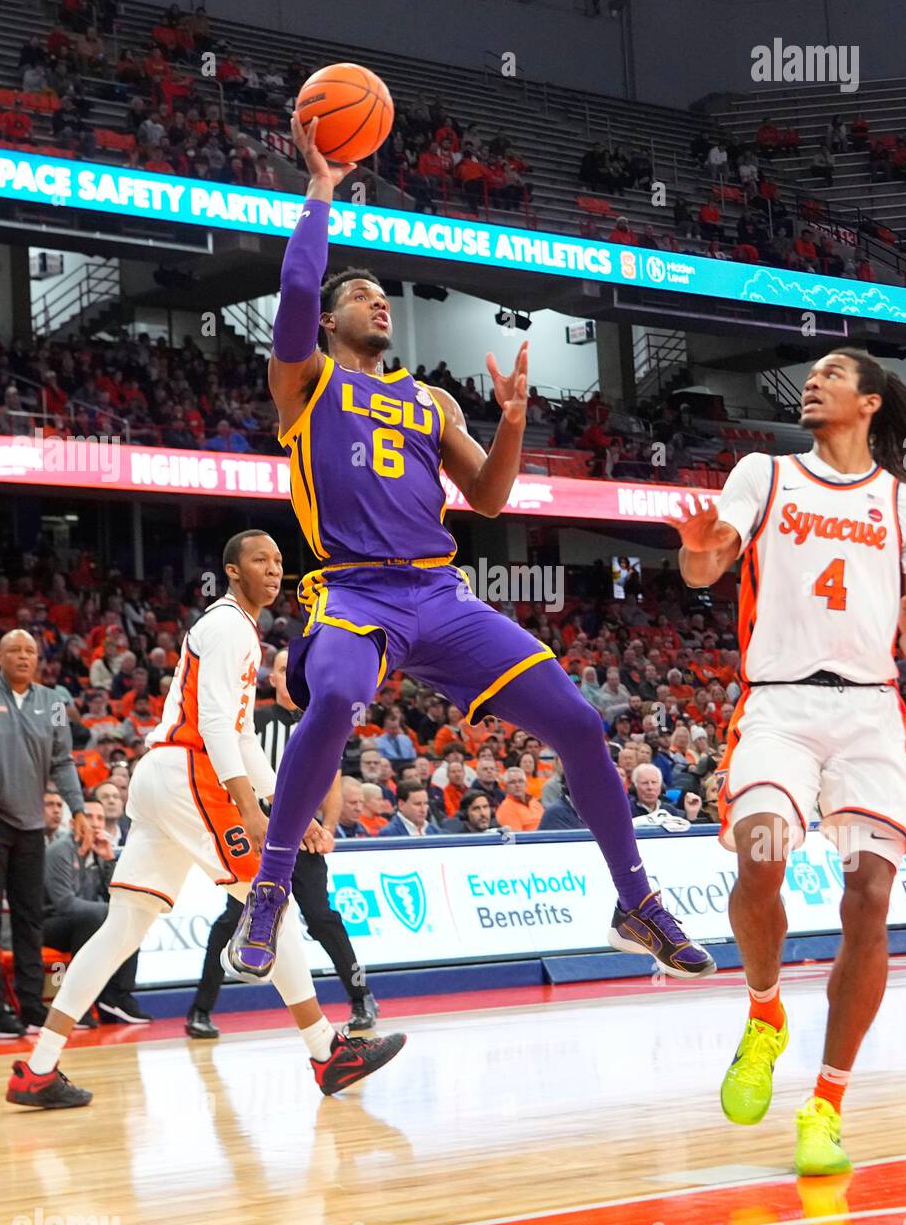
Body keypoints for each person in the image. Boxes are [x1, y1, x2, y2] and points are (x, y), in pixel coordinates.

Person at [224, 113, 713, 986]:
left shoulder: (431, 404)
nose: (378, 304)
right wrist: (322, 190)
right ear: (331, 322)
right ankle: (268, 891)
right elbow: (296, 293)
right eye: (361, 298)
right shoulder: (305, 383)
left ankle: (635, 900)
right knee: (332, 697)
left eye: (382, 299)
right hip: (351, 592)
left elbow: (488, 496)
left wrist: (516, 419)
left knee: (579, 724)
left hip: (439, 597)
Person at [669, 347, 906, 1176]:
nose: (813, 381)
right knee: (761, 854)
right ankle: (765, 1014)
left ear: (868, 403)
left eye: (833, 374)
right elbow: (705, 566)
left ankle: (826, 1105)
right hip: (781, 706)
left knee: (867, 897)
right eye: (812, 375)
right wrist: (695, 549)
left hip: (869, 713)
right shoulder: (762, 473)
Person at [7, 531, 405, 1109]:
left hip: (163, 775)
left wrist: (284, 805)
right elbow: (218, 727)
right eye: (259, 561)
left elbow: (242, 735)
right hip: (189, 769)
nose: (273, 570)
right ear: (233, 571)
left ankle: (38, 1068)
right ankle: (326, 1051)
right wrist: (251, 808)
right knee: (270, 901)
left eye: (277, 562)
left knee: (125, 925)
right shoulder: (227, 626)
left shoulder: (240, 628)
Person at [186, 645, 379, 1040]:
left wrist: (326, 827)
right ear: (271, 678)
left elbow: (332, 783)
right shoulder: (251, 723)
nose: (288, 675)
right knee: (230, 922)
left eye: (295, 669)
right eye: (281, 669)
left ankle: (362, 999)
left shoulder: (319, 723)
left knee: (322, 919)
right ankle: (199, 1012)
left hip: (303, 839)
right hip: (257, 836)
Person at [0, 630, 92, 1039]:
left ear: (39, 659)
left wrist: (80, 809)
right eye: (14, 650)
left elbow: (63, 762)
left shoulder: (52, 703)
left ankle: (32, 1006)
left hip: (31, 824)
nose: (22, 656)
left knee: (31, 919)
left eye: (30, 651)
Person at [43, 797, 149, 1025]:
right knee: (98, 916)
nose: (96, 823)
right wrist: (109, 911)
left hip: (87, 921)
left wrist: (110, 860)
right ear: (74, 823)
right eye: (89, 816)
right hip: (50, 923)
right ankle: (75, 1007)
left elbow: (117, 895)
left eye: (100, 818)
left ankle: (117, 996)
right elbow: (63, 903)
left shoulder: (100, 850)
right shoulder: (59, 850)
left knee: (132, 915)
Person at [377, 778, 441, 837]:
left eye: (425, 803)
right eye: (417, 804)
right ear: (401, 805)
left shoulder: (434, 831)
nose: (423, 809)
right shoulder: (389, 833)